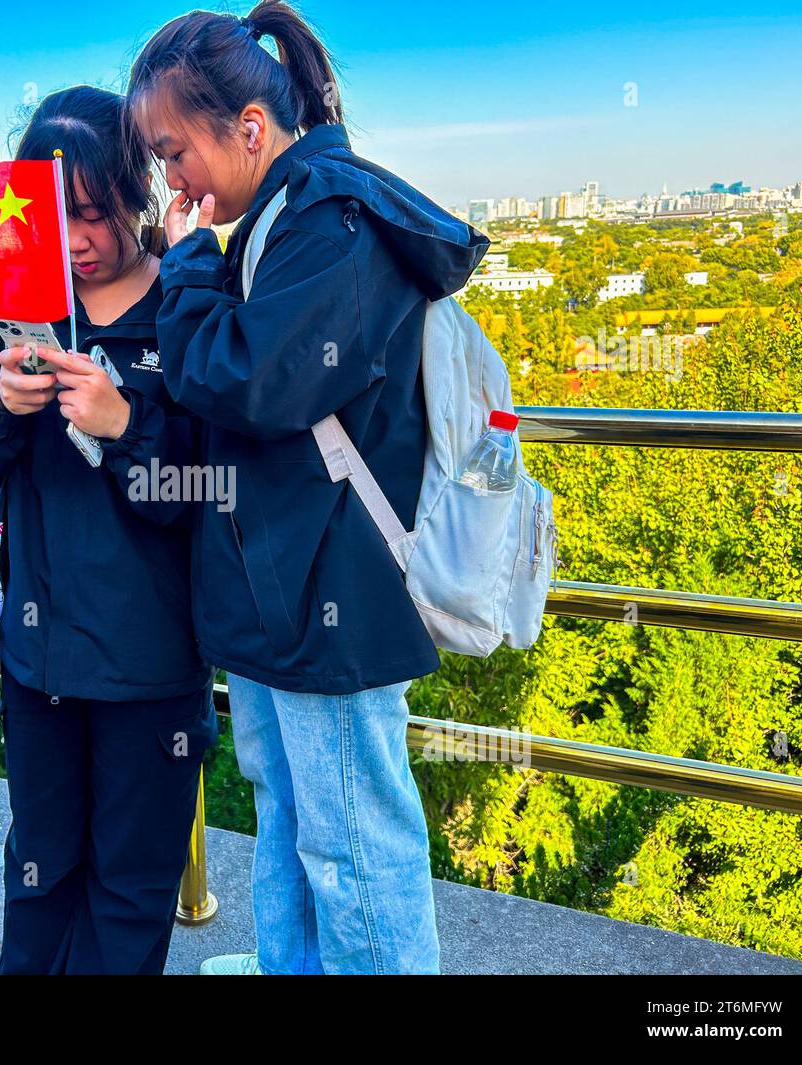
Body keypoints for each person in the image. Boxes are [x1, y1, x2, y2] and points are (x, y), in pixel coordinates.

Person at [127, 1, 490, 973]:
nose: (169, 179)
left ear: (250, 128)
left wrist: (188, 268)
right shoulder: (282, 217)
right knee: (293, 823)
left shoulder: (333, 222)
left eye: (174, 151)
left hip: (333, 589)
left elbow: (250, 379)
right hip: (280, 587)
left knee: (354, 844)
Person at [0, 86, 217, 974]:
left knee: (130, 889)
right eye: (53, 221)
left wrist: (126, 423)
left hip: (152, 666)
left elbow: (214, 485)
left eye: (91, 215)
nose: (77, 241)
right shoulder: (11, 306)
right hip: (41, 657)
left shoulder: (187, 302)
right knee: (39, 872)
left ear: (134, 190)